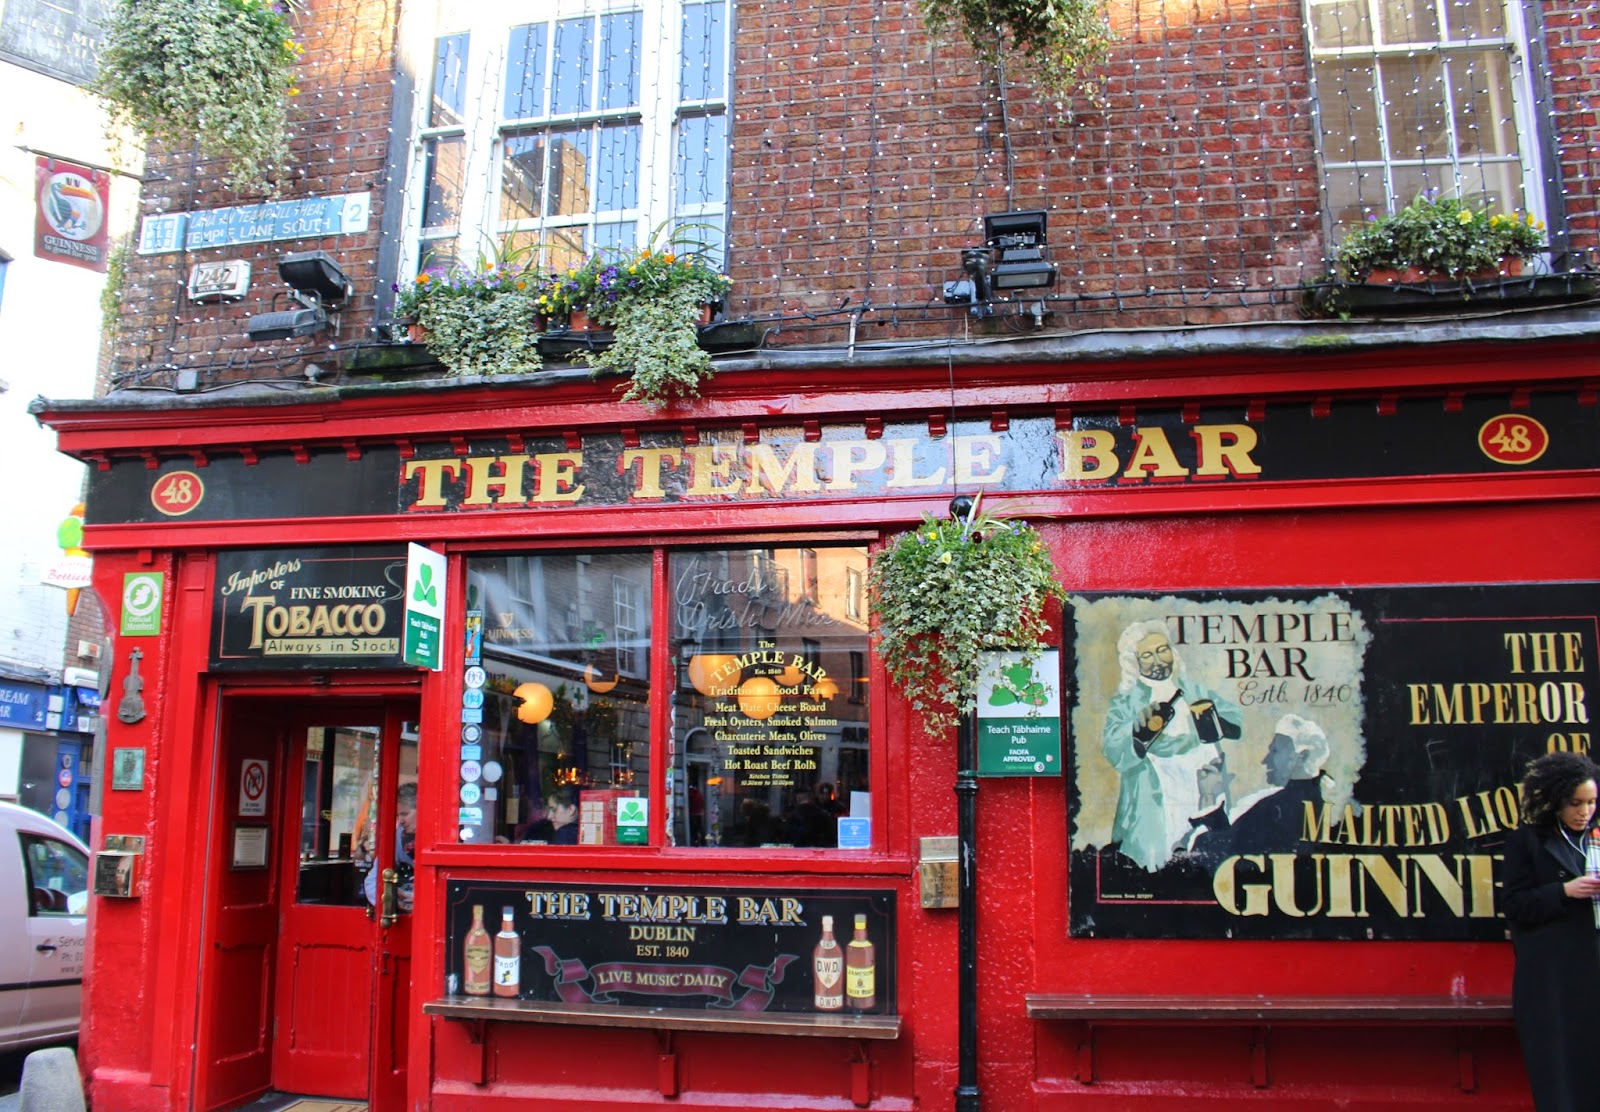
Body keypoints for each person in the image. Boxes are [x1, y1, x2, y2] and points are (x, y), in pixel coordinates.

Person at [1502, 750, 1600, 1112]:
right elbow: (1514, 905)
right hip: (1553, 979)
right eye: (1576, 803)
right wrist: (1563, 891)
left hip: (1593, 969)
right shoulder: (1528, 841)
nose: (1584, 812)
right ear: (1557, 799)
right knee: (1560, 1074)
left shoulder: (1597, 838)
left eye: (1591, 802)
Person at [1101, 620, 1241, 871]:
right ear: (1134, 662)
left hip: (1203, 789)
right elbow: (1113, 750)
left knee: (1206, 858)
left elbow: (1235, 721)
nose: (1158, 660)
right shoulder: (1127, 702)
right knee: (1161, 866)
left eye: (1162, 650)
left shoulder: (1192, 689)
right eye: (1147, 655)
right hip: (1159, 796)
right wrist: (1138, 730)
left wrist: (1214, 722)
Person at [1190, 714, 1329, 856]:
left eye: (1274, 751)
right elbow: (1238, 844)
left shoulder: (1278, 807)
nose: (1265, 760)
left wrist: (1208, 797)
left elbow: (1221, 852)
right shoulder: (1314, 803)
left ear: (1302, 756)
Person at [365, 781, 417, 907]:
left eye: (405, 814)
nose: (401, 820)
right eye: (398, 815)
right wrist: (392, 899)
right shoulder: (397, 838)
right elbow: (372, 882)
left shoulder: (441, 840)